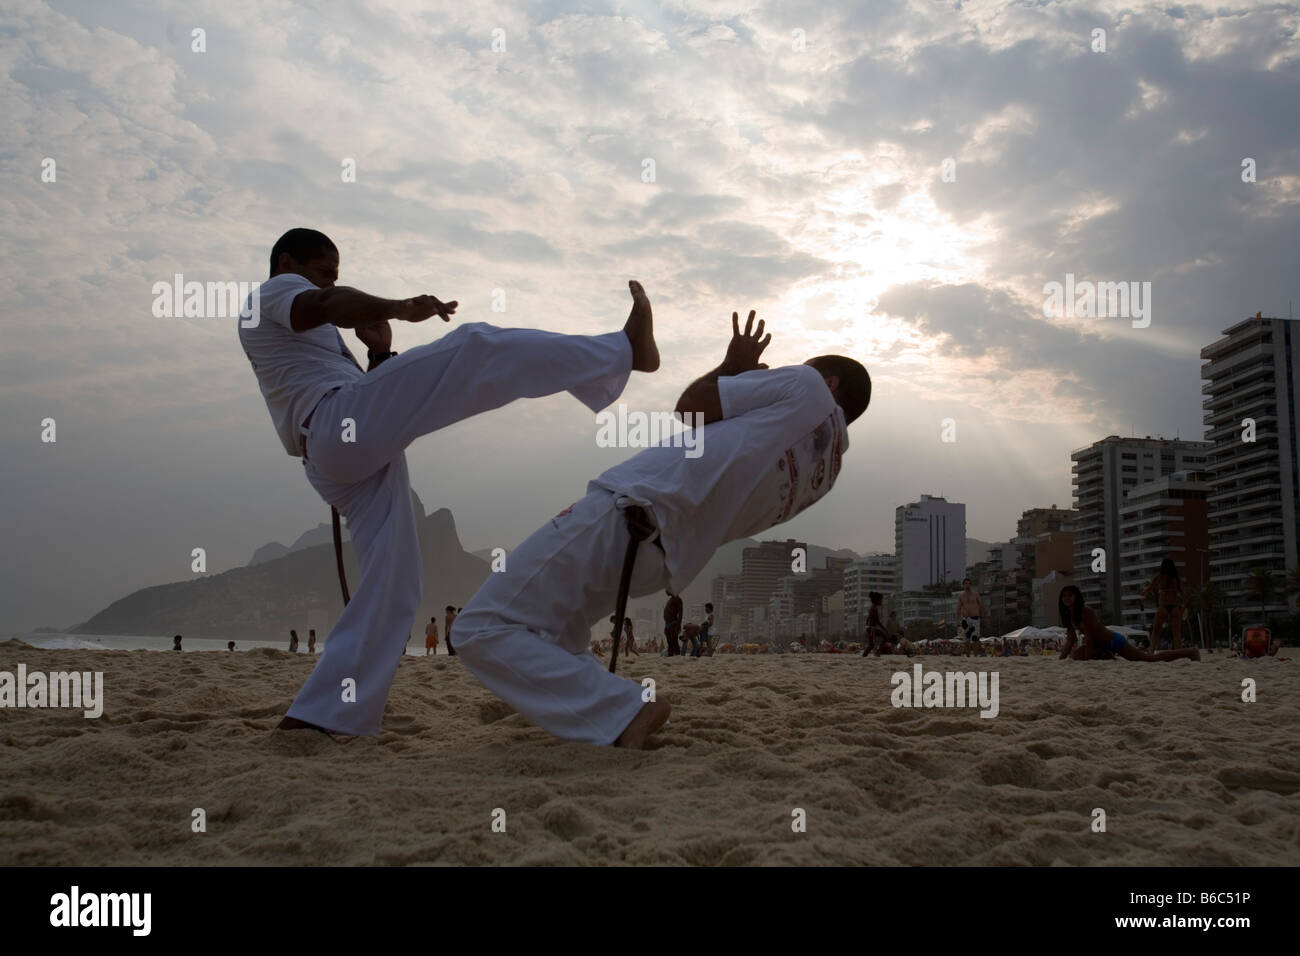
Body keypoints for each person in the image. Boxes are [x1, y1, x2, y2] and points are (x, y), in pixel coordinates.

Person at [242, 229, 658, 736]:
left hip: (338, 445)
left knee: (395, 585)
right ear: (288, 262)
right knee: (475, 348)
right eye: (325, 270)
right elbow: (329, 304)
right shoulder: (270, 294)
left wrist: (377, 356)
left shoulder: (303, 330)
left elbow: (349, 381)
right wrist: (400, 305)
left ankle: (322, 717)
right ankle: (621, 352)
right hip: (332, 427)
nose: (332, 281)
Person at [450, 310, 868, 747]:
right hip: (657, 556)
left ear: (830, 383)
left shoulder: (806, 387)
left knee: (479, 627)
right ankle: (604, 719)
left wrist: (732, 369)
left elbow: (690, 408)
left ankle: (627, 708)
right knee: (558, 638)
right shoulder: (825, 475)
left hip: (628, 513)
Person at [1057, 585, 1199, 662]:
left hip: (1113, 641)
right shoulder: (1068, 615)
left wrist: (1088, 659)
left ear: (1076, 596)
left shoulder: (1085, 611)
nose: (1067, 598)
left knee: (1149, 659)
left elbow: (1089, 637)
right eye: (1064, 596)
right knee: (1075, 655)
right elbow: (1070, 639)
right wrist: (1060, 661)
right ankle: (1107, 656)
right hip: (1101, 645)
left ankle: (1190, 652)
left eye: (1070, 595)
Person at [1141, 558, 1185, 650]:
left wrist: (1143, 593)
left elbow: (1148, 589)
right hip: (1175, 606)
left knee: (1156, 632)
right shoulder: (1176, 579)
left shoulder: (1159, 577)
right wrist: (1183, 606)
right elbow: (1183, 593)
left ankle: (1151, 652)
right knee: (1177, 634)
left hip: (1163, 606)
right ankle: (1179, 653)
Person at [957, 579, 984, 657]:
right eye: (966, 583)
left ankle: (975, 655)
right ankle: (968, 656)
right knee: (966, 639)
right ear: (963, 585)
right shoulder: (961, 596)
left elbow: (981, 605)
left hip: (975, 618)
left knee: (975, 638)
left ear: (970, 585)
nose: (967, 585)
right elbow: (958, 608)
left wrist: (985, 616)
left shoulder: (975, 594)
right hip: (965, 619)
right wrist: (957, 620)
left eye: (969, 583)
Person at [663, 592, 683, 656]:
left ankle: (677, 655)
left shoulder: (678, 599)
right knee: (669, 642)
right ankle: (670, 654)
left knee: (674, 641)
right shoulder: (671, 599)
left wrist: (678, 625)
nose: (666, 591)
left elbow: (680, 614)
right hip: (668, 624)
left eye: (667, 589)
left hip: (673, 624)